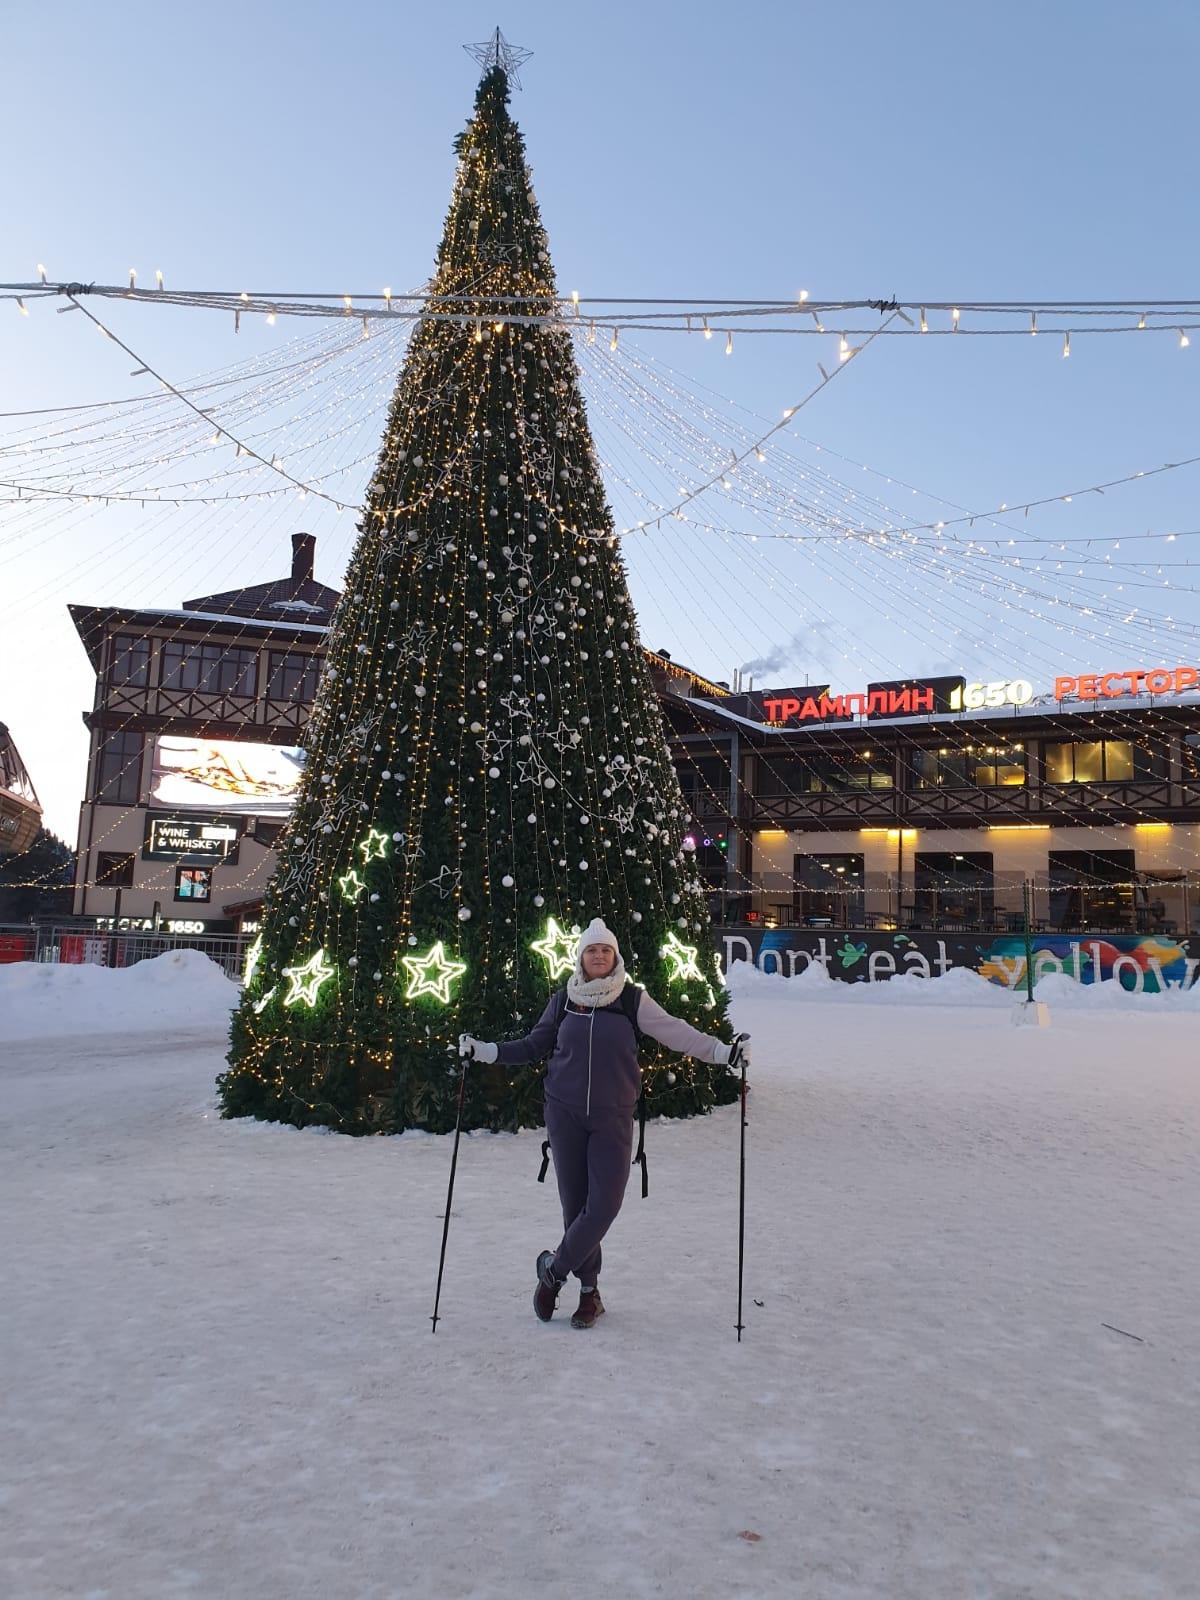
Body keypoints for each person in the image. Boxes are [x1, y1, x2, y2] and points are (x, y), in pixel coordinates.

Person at [459, 917, 749, 1330]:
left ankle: (553, 1272)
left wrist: (724, 1054)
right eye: (591, 950)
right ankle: (588, 1294)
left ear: (615, 957)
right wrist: (484, 1051)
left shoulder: (631, 1000)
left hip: (613, 1118)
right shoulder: (564, 999)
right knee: (574, 1208)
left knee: (604, 1206)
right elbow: (532, 1045)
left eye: (605, 950)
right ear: (581, 957)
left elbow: (676, 1033)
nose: (598, 956)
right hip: (564, 1114)